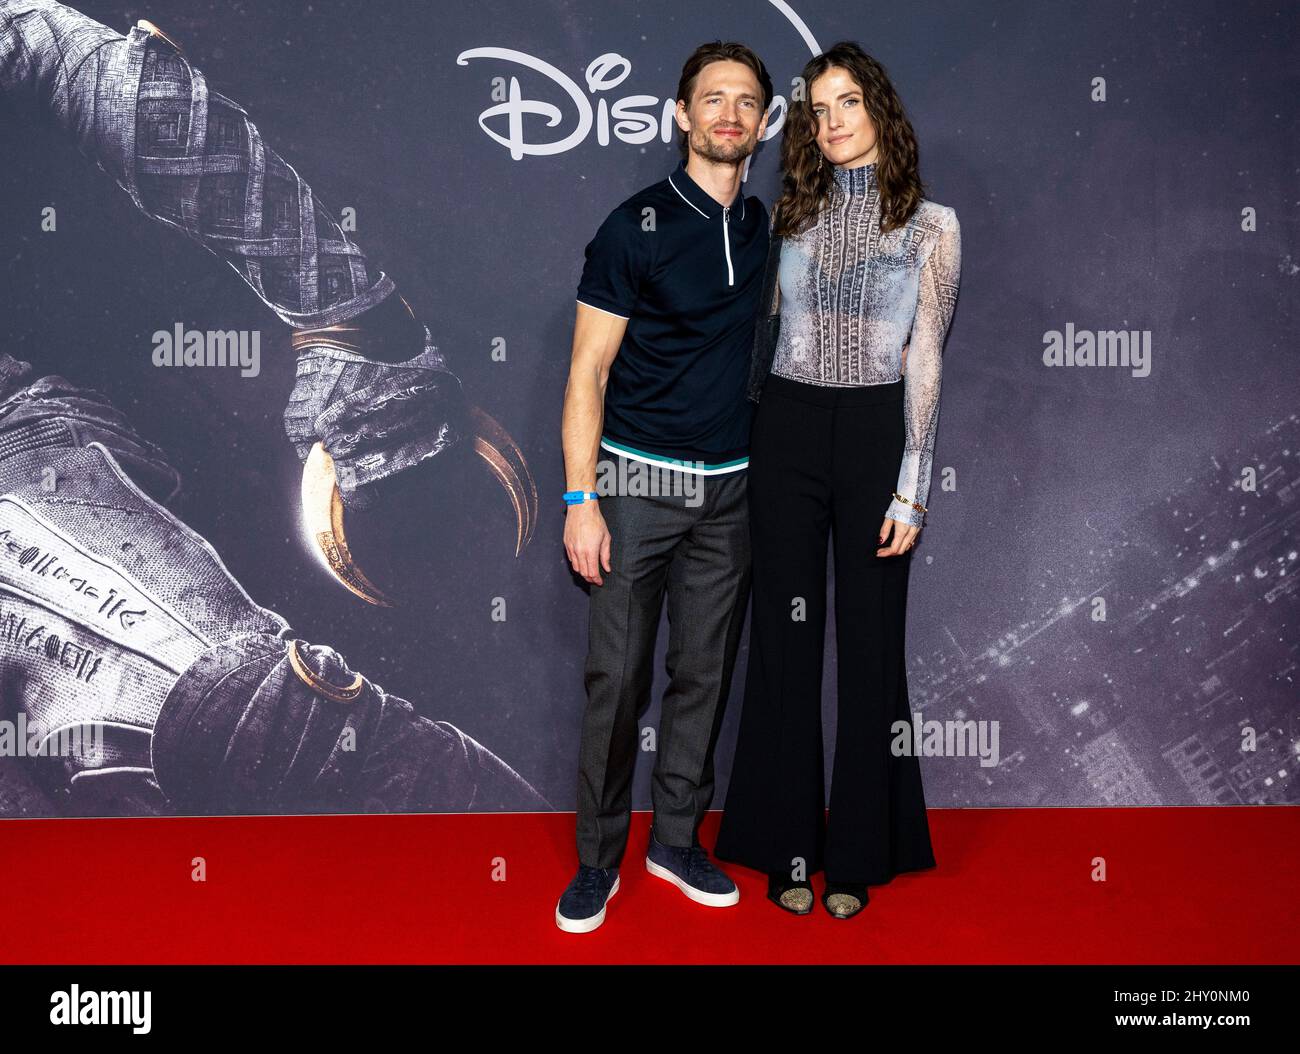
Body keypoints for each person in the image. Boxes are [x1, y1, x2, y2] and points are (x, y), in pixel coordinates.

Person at [715, 42, 962, 919]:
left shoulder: (934, 225)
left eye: (847, 102)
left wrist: (912, 484)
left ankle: (860, 851)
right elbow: (761, 339)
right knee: (783, 646)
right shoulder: (789, 215)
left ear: (878, 107)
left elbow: (925, 355)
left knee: (871, 645)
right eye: (819, 111)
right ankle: (785, 846)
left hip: (873, 435)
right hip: (785, 430)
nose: (832, 122)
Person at [556, 41, 772, 932]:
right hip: (636, 483)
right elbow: (587, 372)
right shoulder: (632, 226)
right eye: (712, 98)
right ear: (681, 115)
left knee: (704, 675)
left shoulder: (765, 227)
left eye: (746, 100)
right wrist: (581, 499)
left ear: (764, 122)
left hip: (733, 492)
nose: (729, 113)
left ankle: (675, 842)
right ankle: (597, 861)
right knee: (617, 680)